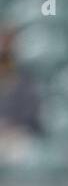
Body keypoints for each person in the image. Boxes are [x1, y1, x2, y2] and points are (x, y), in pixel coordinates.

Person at [0, 25, 42, 153]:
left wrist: (10, 128)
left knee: (19, 148)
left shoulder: (24, 80)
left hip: (17, 135)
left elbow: (29, 115)